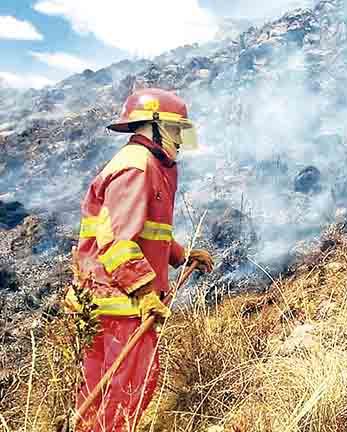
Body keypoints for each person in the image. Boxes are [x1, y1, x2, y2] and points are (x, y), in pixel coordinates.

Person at [63, 88, 214, 431]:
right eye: (176, 129)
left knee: (99, 391)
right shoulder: (137, 166)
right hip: (120, 303)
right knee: (130, 386)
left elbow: (144, 232)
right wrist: (145, 292)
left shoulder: (145, 164)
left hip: (106, 300)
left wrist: (181, 255)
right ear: (155, 126)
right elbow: (117, 243)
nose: (179, 138)